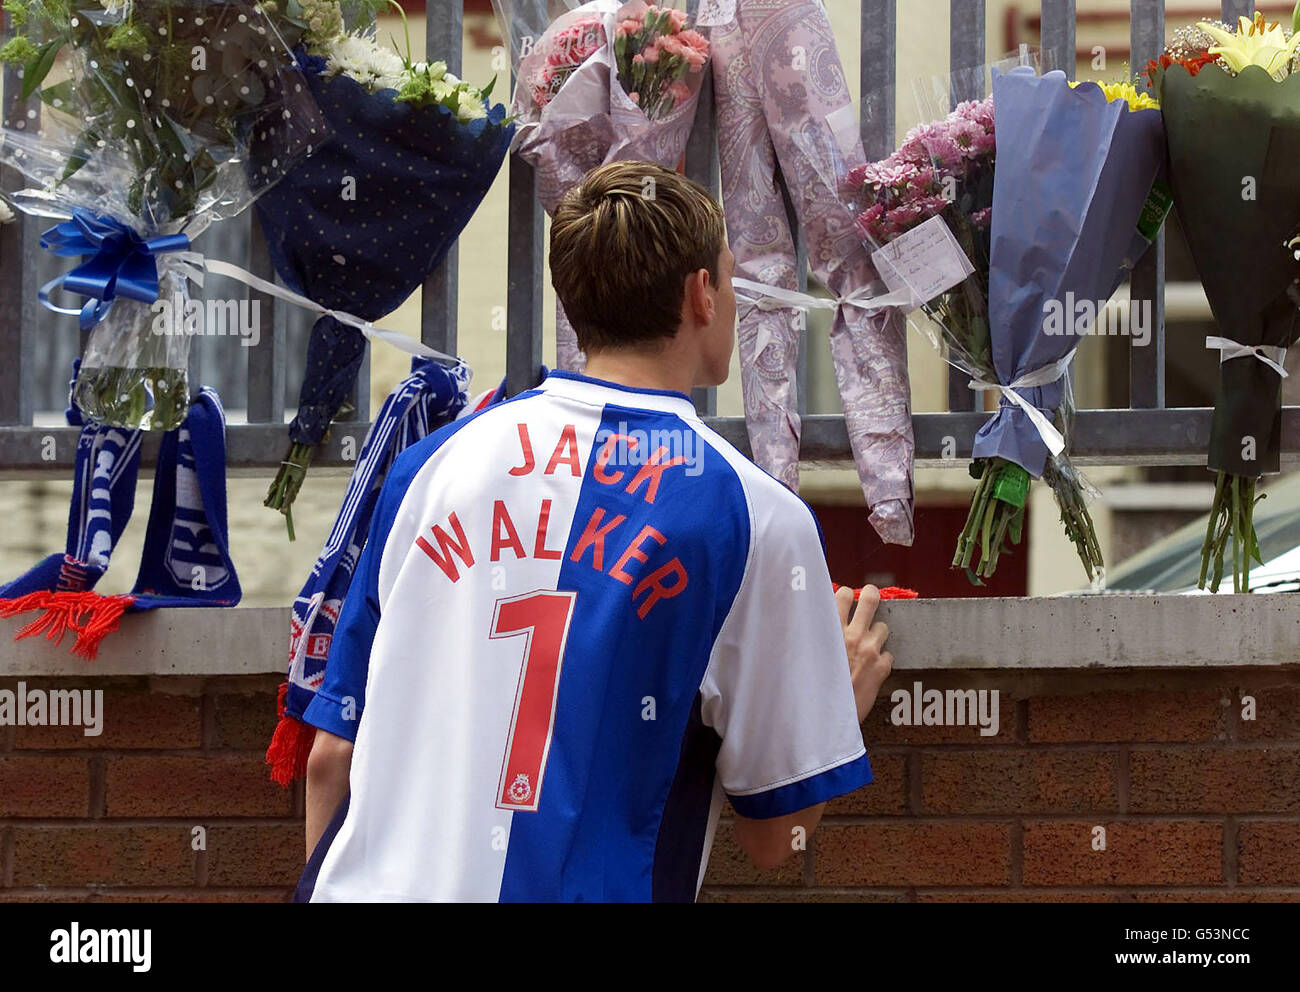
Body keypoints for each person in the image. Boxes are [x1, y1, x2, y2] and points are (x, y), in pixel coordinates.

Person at [299, 160, 895, 902]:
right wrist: (832, 694)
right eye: (730, 280)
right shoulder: (753, 513)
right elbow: (775, 837)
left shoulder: (432, 467)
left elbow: (330, 756)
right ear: (701, 294)